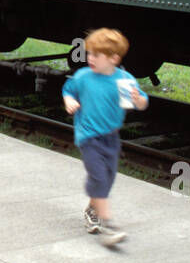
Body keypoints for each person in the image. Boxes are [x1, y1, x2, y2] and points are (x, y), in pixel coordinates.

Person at [62, 27, 149, 247]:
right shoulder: (84, 77)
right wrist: (69, 101)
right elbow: (68, 89)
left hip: (111, 138)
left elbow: (139, 104)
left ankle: (93, 209)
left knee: (107, 179)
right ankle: (107, 224)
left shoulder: (124, 80)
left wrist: (139, 100)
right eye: (89, 53)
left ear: (114, 58)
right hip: (88, 136)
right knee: (99, 177)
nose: (89, 58)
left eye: (96, 55)